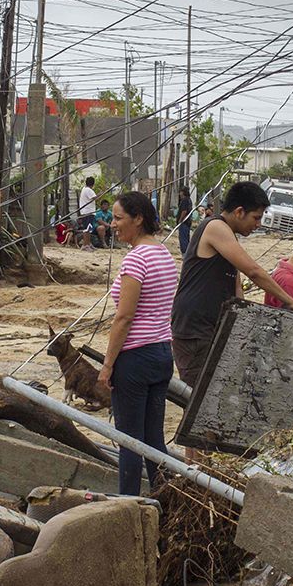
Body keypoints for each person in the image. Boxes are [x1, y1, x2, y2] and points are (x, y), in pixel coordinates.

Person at [172, 182, 293, 397]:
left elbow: (236, 284)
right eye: (256, 217)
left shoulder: (228, 236)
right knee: (201, 399)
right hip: (195, 330)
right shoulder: (215, 227)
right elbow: (253, 271)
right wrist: (290, 302)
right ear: (239, 212)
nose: (258, 224)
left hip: (212, 327)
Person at [96, 192, 177, 494]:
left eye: (118, 218)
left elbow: (124, 318)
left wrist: (107, 366)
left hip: (135, 358)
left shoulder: (136, 259)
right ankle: (165, 498)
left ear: (138, 219)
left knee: (129, 440)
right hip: (161, 355)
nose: (113, 224)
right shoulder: (163, 254)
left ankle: (126, 504)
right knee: (154, 439)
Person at [78, 176, 98, 252]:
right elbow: (94, 198)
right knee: (87, 229)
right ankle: (85, 245)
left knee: (89, 229)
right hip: (88, 212)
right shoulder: (88, 190)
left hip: (87, 212)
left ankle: (88, 243)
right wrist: (102, 193)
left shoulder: (84, 189)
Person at [177, 187, 193, 254]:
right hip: (188, 222)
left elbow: (184, 211)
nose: (179, 194)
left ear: (183, 192)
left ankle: (185, 254)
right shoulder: (189, 200)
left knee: (183, 239)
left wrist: (180, 220)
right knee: (186, 238)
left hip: (184, 222)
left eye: (180, 192)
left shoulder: (184, 200)